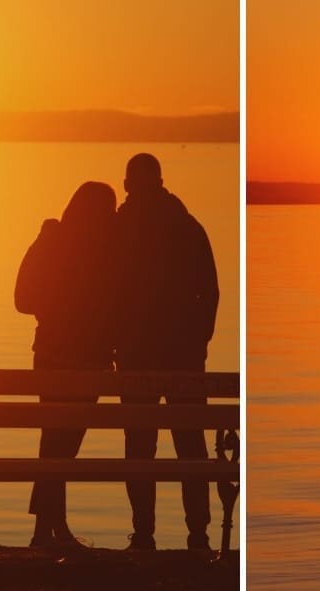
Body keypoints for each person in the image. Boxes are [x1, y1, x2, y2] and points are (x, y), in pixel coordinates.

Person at [114, 152, 219, 551]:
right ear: (160, 181)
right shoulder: (188, 226)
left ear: (127, 184)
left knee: (141, 445)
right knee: (189, 444)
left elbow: (108, 294)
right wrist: (198, 342)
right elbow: (209, 292)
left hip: (142, 355)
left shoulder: (121, 230)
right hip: (181, 355)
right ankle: (197, 534)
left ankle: (144, 534)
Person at [15, 181, 118, 550]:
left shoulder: (61, 243)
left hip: (60, 360)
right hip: (77, 362)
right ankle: (49, 529)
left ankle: (49, 528)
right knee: (60, 448)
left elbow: (23, 299)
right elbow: (23, 299)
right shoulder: (88, 248)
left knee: (56, 447)